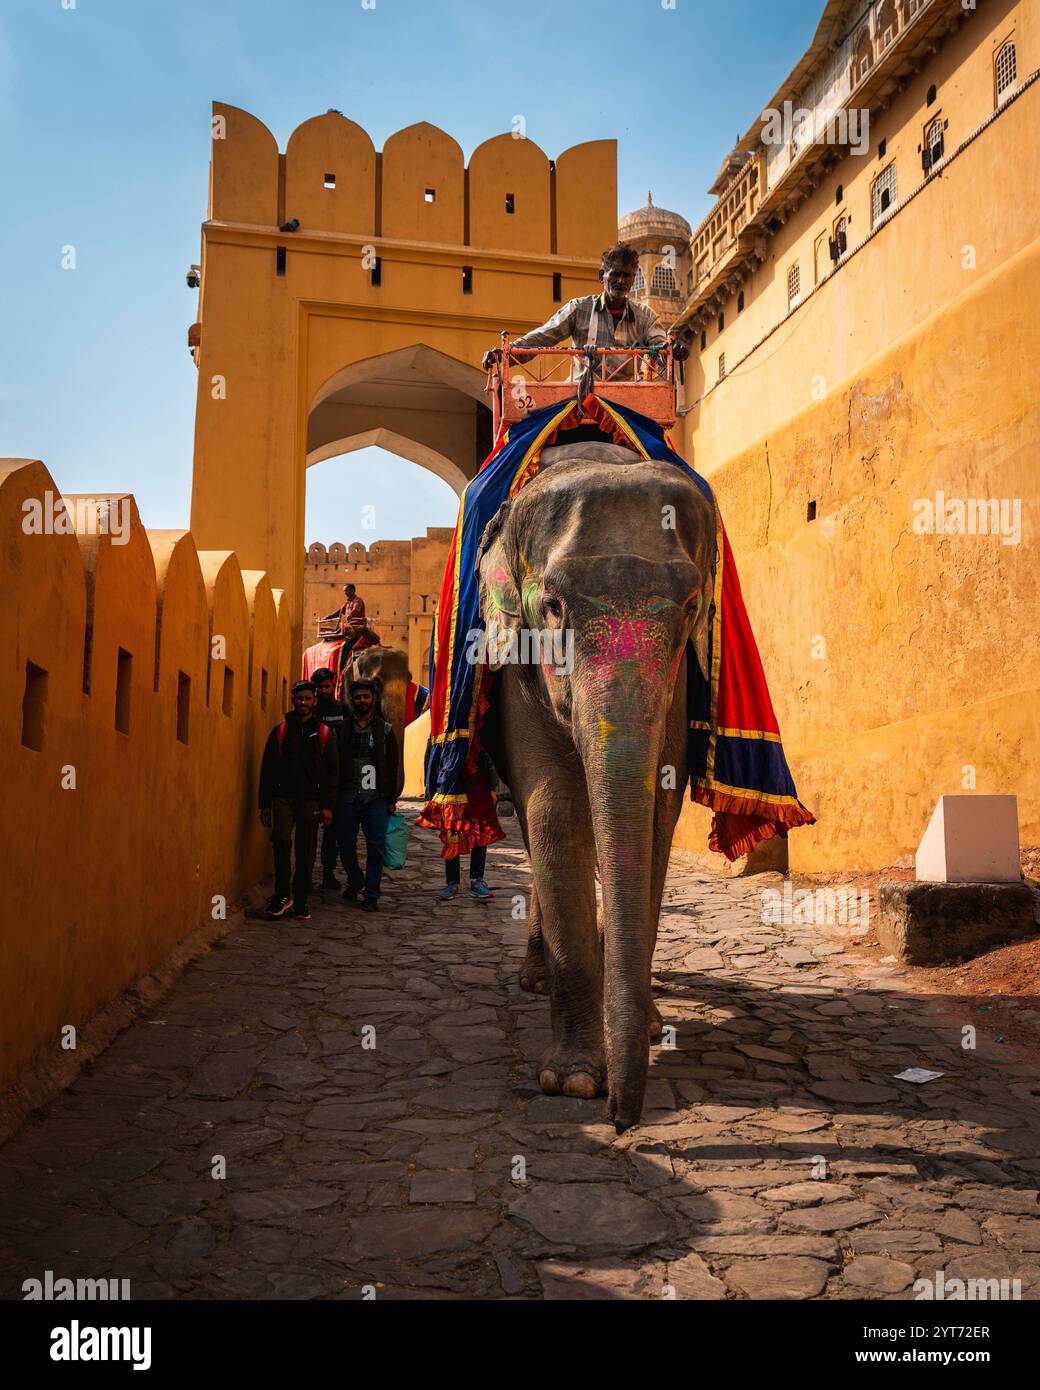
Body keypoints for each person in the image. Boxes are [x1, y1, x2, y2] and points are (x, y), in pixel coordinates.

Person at [482, 242, 689, 382]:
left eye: (627, 275)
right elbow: (544, 336)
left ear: (633, 278)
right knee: (526, 438)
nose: (621, 281)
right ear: (602, 276)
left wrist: (673, 350)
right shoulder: (579, 309)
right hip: (579, 395)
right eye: (615, 274)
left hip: (627, 401)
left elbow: (660, 345)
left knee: (658, 447)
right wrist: (504, 355)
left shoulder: (646, 317)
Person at [258, 679, 338, 921]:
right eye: (299, 698)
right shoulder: (280, 732)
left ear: (314, 701)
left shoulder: (324, 734)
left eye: (307, 698)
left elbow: (332, 773)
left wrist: (328, 806)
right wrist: (264, 804)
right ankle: (282, 895)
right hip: (283, 796)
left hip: (312, 799)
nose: (303, 703)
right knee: (281, 840)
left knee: (306, 851)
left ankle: (301, 898)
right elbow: (267, 769)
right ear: (293, 700)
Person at [338, 677, 399, 913]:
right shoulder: (343, 728)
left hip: (375, 796)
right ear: (352, 700)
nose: (362, 700)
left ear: (373, 699)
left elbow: (393, 767)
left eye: (366, 696)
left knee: (376, 844)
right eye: (358, 697)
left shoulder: (385, 730)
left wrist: (391, 799)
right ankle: (355, 880)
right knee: (345, 843)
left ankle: (371, 893)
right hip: (348, 794)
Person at [311, 666, 348, 889]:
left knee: (332, 831)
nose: (325, 690)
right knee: (309, 829)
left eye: (328, 686)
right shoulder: (310, 711)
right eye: (321, 687)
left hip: (336, 778)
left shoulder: (343, 711)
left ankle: (328, 871)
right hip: (314, 778)